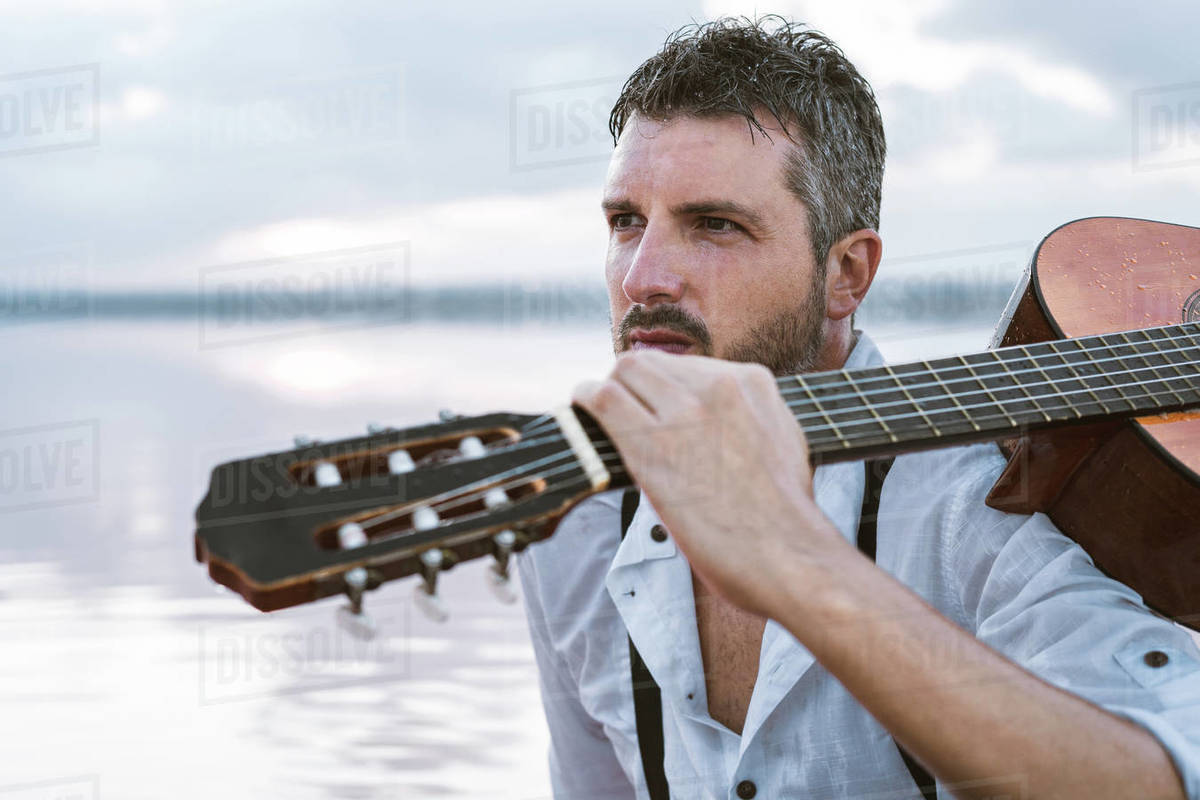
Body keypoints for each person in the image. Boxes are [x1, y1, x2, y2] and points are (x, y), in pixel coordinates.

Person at [517, 16, 1200, 800]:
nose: (644, 277)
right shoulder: (572, 526)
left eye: (715, 225)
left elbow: (1168, 773)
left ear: (846, 272)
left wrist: (803, 569)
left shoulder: (984, 508)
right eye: (625, 222)